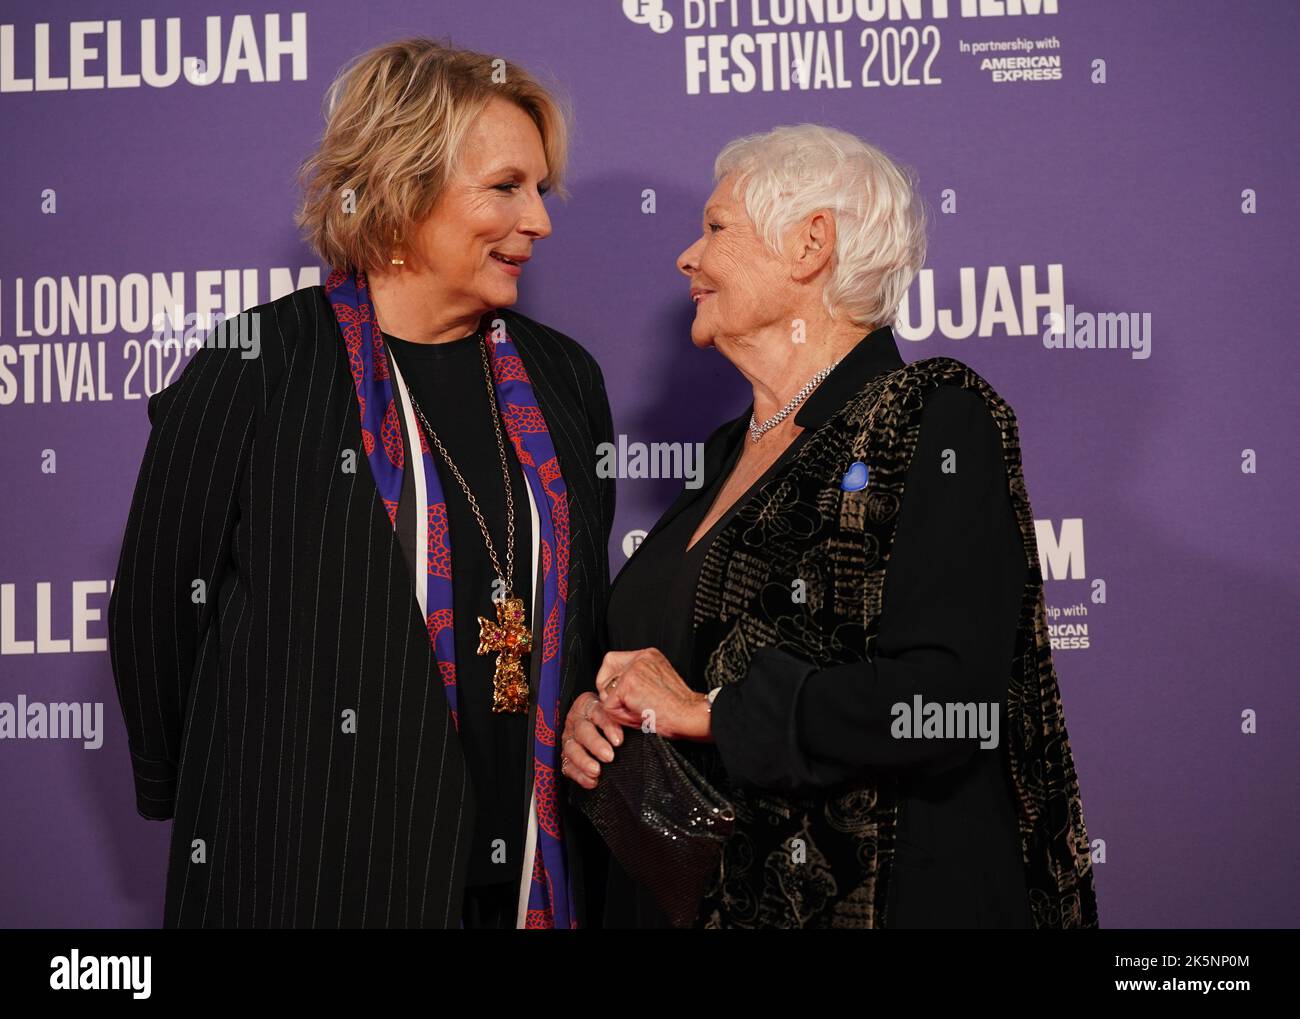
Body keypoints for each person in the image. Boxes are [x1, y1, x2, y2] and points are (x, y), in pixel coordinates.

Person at [107, 38, 614, 929]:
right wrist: (217, 795)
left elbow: (579, 619)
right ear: (400, 189)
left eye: (540, 189)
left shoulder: (564, 378)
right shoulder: (256, 367)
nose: (538, 221)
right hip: (308, 874)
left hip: (526, 876)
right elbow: (158, 618)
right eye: (505, 187)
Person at [560, 124, 1098, 929]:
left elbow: (951, 701)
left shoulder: (928, 417)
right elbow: (664, 670)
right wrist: (597, 722)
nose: (687, 258)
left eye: (714, 229)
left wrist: (710, 710)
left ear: (811, 242)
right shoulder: (723, 455)